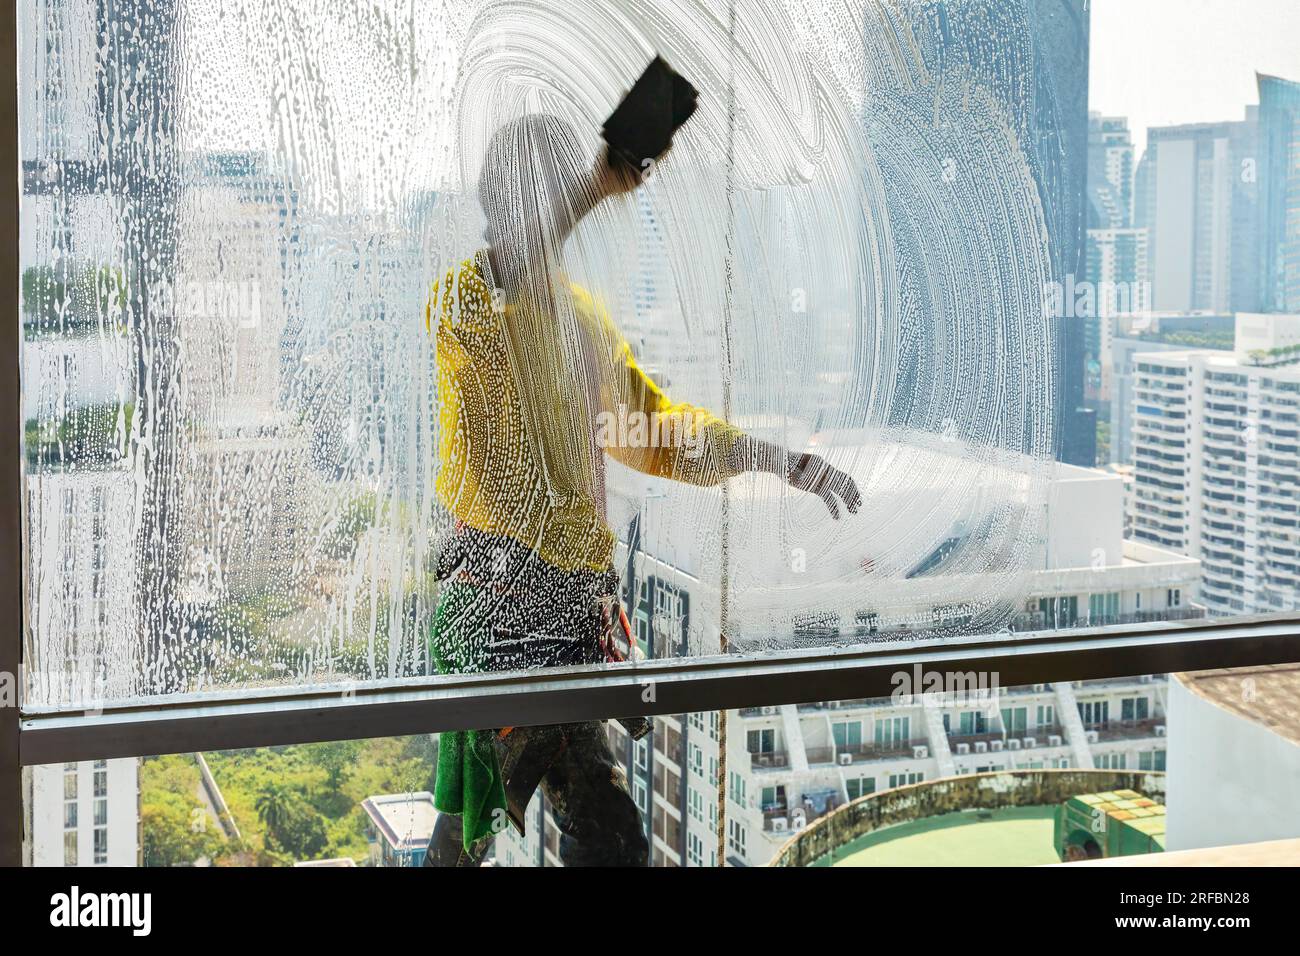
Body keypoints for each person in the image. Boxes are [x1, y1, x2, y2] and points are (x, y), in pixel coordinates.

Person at [424, 111, 861, 866]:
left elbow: (661, 433)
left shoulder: (581, 324)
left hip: (563, 624)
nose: (567, 211)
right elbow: (510, 267)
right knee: (475, 839)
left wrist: (783, 462)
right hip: (499, 624)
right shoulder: (464, 305)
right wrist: (595, 184)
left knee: (601, 836)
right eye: (552, 193)